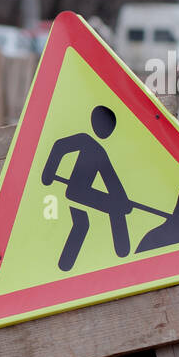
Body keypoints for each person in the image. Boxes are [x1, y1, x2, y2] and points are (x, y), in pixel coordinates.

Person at [40, 105, 134, 272]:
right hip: (76, 191)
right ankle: (123, 251)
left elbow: (111, 181)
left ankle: (122, 254)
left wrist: (123, 200)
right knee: (102, 214)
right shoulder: (86, 141)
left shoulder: (100, 151)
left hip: (83, 193)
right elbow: (59, 146)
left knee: (84, 223)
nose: (107, 131)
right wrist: (48, 174)